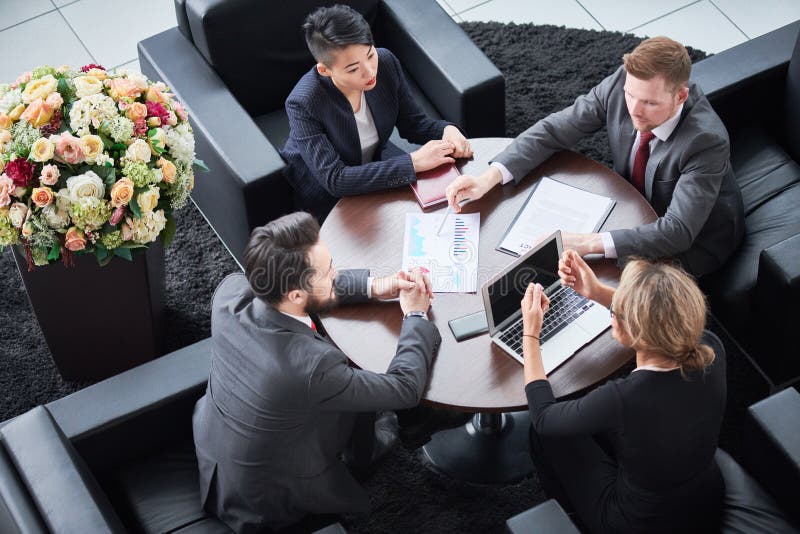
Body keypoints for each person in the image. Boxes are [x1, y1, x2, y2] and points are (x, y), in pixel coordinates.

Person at [192, 211, 442, 532]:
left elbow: (314, 290)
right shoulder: (311, 367)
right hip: (266, 500)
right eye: (328, 272)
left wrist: (376, 286)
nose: (336, 273)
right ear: (295, 295)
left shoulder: (232, 293)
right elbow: (404, 390)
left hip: (217, 451)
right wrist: (416, 315)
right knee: (386, 417)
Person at [446, 36, 744, 277]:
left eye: (650, 103)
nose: (634, 110)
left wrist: (589, 242)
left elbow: (678, 232)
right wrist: (490, 177)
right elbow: (555, 129)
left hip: (695, 239)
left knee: (617, 290)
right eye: (631, 96)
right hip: (633, 203)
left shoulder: (705, 141)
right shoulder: (622, 83)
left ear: (680, 96)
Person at [519, 252, 726, 533]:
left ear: (633, 333)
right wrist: (596, 292)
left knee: (545, 435)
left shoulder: (623, 399)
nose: (614, 310)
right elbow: (659, 318)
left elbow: (544, 417)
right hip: (706, 495)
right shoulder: (710, 348)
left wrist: (530, 335)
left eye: (618, 309)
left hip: (637, 522)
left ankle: (567, 513)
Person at [282, 4, 472, 221]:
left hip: (377, 162)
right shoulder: (303, 102)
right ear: (324, 70)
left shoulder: (386, 62)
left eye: (370, 55)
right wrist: (413, 163)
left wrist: (446, 130)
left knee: (444, 211)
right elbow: (335, 179)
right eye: (353, 69)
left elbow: (413, 124)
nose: (370, 71)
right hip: (326, 192)